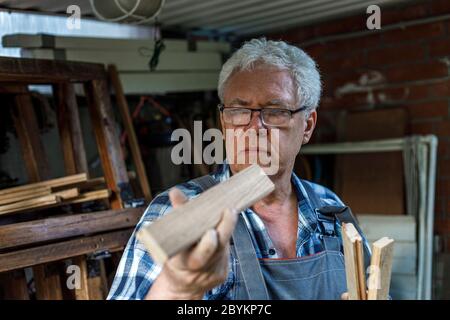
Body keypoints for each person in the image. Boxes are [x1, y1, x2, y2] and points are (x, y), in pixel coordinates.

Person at [108, 38, 370, 300]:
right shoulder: (179, 212)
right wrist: (176, 289)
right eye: (239, 110)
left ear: (308, 126)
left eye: (276, 111)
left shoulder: (329, 209)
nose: (254, 127)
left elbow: (374, 289)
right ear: (224, 121)